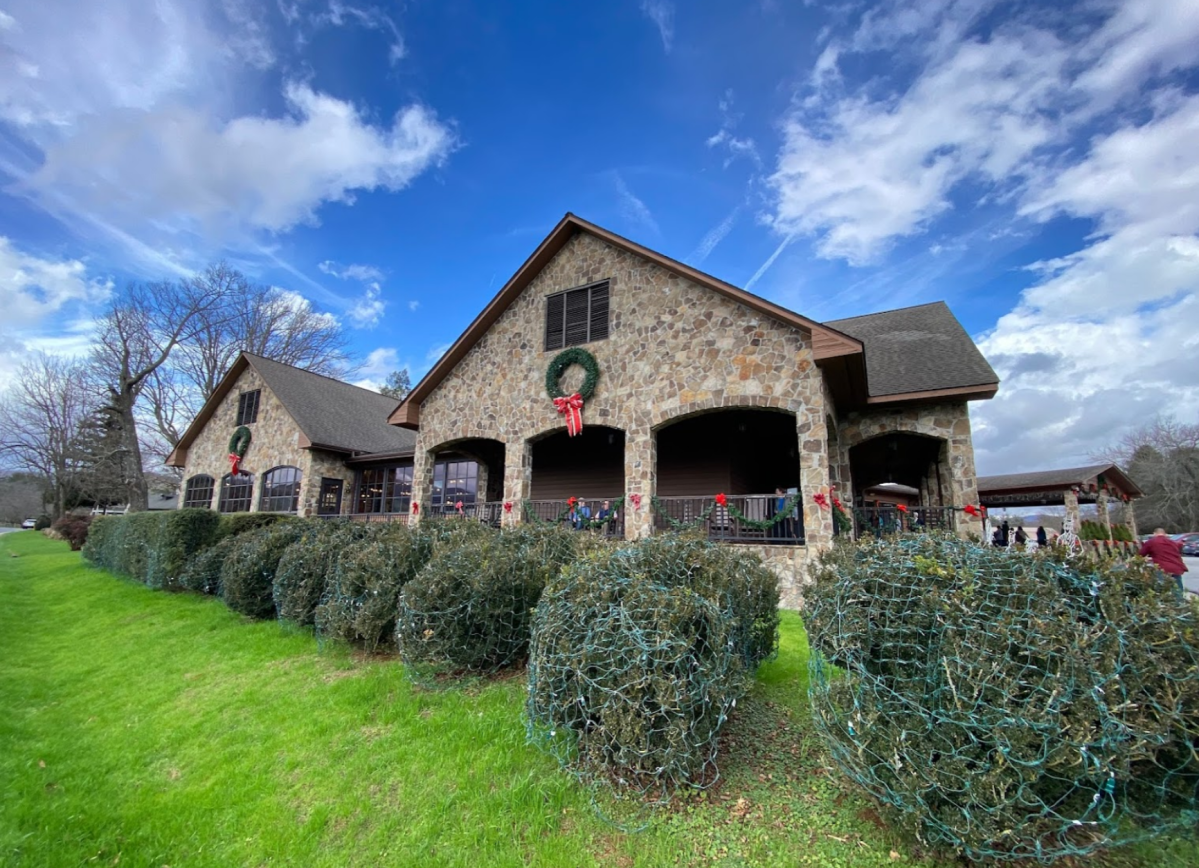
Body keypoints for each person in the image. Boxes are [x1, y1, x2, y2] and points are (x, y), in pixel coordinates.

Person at [1139, 528, 1188, 595]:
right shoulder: (1172, 542)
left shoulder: (1151, 542)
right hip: (1176, 567)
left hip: (1162, 568)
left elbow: (1141, 555)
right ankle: (1179, 600)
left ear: (1154, 534)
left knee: (1161, 590)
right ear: (1165, 534)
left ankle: (1162, 600)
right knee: (1177, 589)